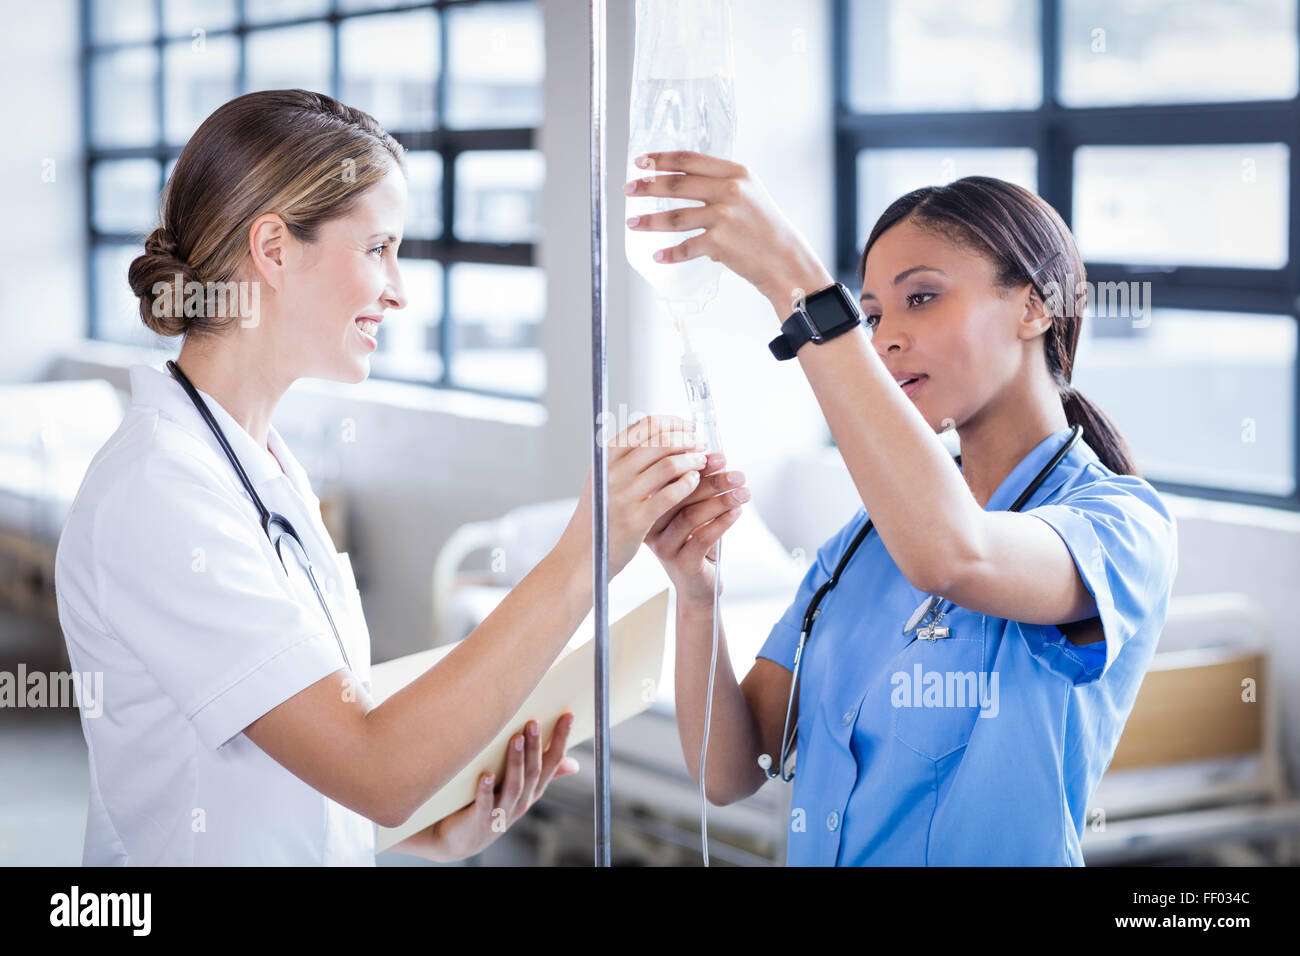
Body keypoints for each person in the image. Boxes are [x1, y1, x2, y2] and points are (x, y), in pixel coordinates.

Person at [53, 90, 720, 866]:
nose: (399, 289)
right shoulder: (161, 492)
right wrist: (587, 555)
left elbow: (299, 759)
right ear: (272, 248)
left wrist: (434, 831)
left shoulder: (261, 467)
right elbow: (372, 766)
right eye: (378, 249)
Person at [633, 152, 1179, 865]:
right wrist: (697, 596)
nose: (885, 338)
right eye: (870, 315)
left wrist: (796, 280)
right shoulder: (863, 544)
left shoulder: (1122, 525)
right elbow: (731, 773)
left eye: (922, 297)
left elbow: (955, 556)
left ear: (1035, 306)